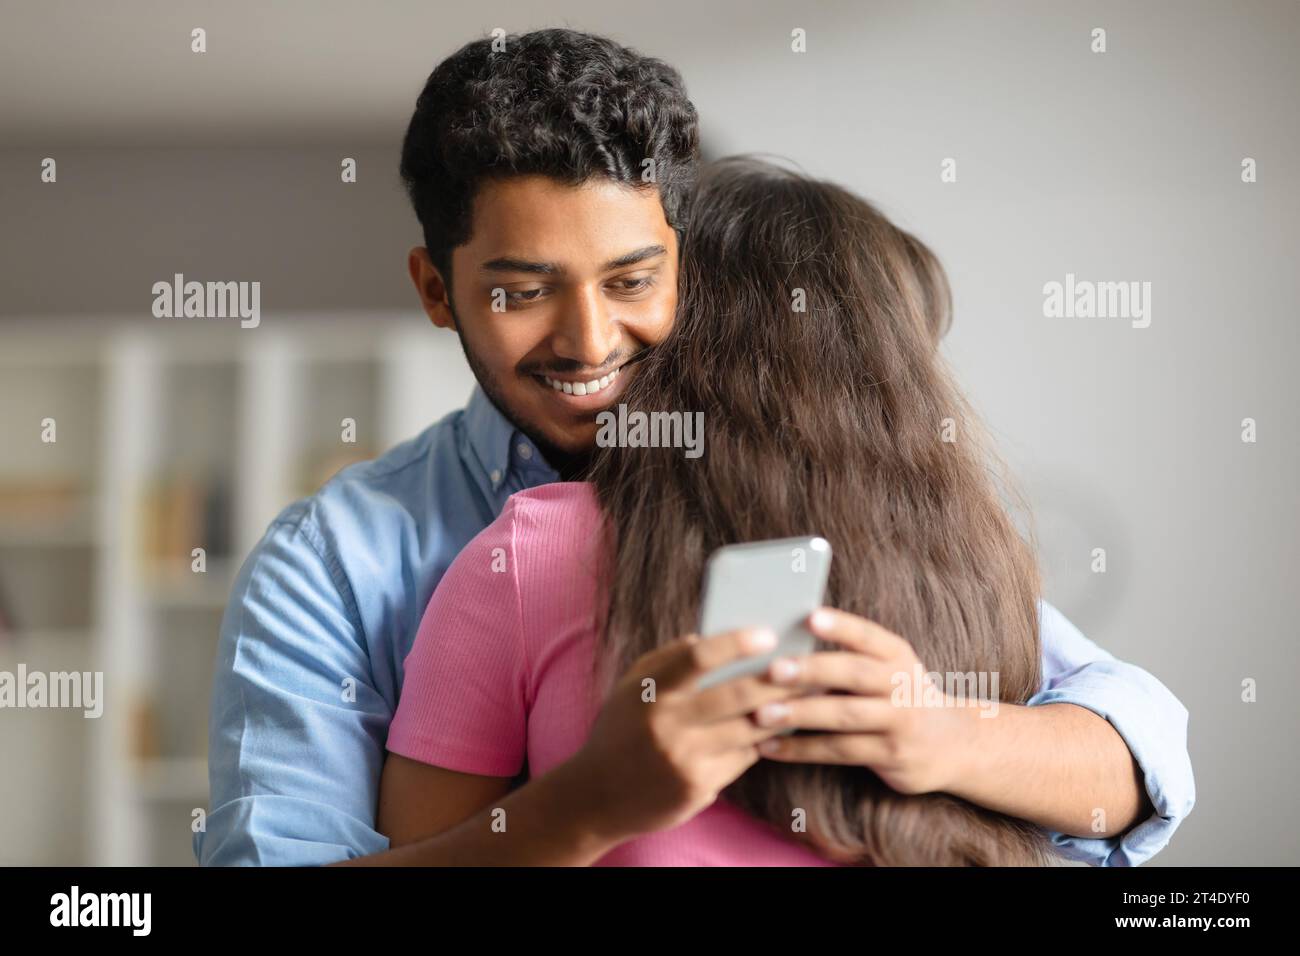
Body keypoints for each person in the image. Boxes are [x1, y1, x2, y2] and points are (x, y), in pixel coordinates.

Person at [197, 29, 1193, 867]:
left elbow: (1139, 747)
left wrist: (940, 731)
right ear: (434, 289)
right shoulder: (336, 560)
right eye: (523, 290)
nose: (589, 343)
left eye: (631, 281)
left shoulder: (826, 497)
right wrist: (584, 804)